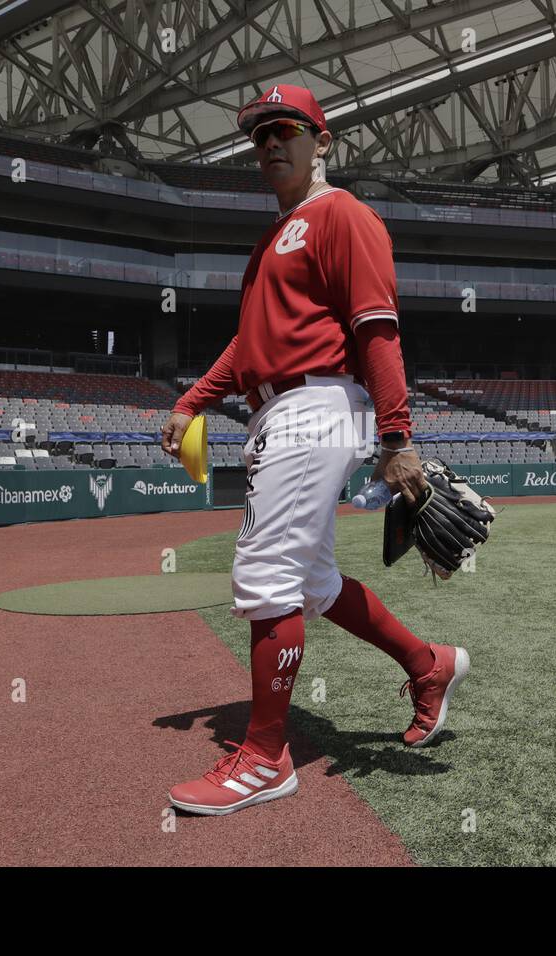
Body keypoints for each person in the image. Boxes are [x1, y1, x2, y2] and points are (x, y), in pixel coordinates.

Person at [161, 84, 469, 816]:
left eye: (286, 129)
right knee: (312, 584)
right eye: (260, 133)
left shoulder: (341, 214)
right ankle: (430, 665)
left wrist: (398, 438)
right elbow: (248, 346)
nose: (270, 142)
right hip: (278, 409)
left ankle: (266, 759)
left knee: (266, 572)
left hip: (318, 405)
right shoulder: (274, 238)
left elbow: (377, 328)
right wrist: (191, 400)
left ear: (321, 141)